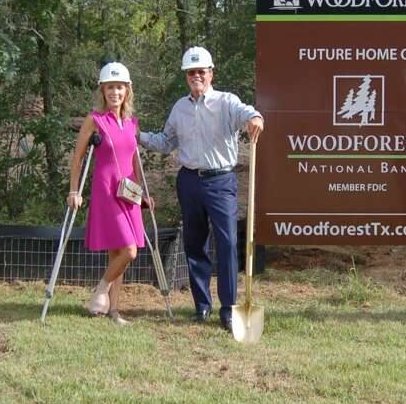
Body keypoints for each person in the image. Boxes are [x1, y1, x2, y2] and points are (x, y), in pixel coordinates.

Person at [139, 46, 263, 331]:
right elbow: (166, 142)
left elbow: (248, 113)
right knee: (194, 244)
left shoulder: (226, 101)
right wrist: (138, 137)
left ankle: (230, 309)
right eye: (191, 72)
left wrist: (255, 119)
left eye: (201, 71)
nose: (196, 76)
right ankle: (202, 306)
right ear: (186, 76)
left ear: (211, 73)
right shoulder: (180, 108)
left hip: (221, 182)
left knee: (229, 244)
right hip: (189, 181)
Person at [68, 62, 149, 326]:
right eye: (110, 87)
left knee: (119, 254)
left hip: (129, 193)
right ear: (103, 91)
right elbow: (78, 158)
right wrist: (73, 190)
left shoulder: (131, 123)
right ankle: (101, 289)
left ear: (127, 91)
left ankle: (114, 311)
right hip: (106, 191)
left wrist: (144, 193)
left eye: (120, 87)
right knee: (129, 251)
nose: (115, 92)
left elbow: (135, 162)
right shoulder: (95, 119)